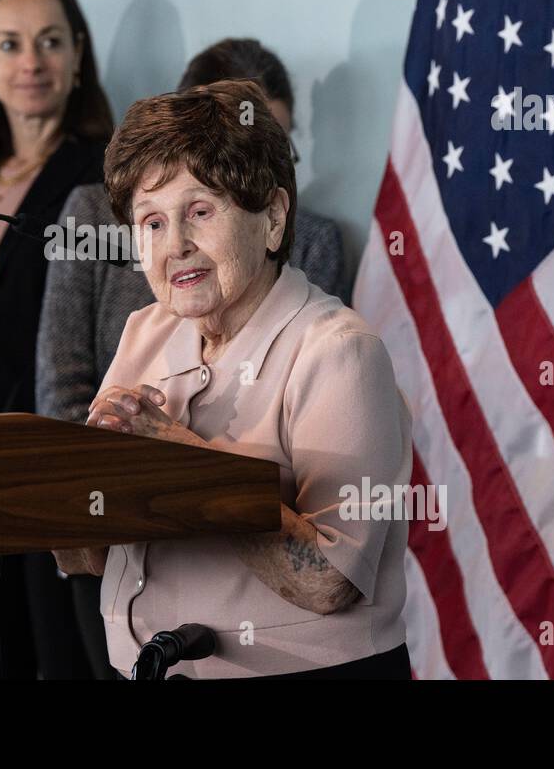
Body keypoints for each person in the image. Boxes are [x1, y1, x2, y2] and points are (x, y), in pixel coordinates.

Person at [54, 80, 412, 679]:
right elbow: (84, 555)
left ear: (272, 217)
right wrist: (80, 488)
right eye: (152, 222)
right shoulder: (146, 330)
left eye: (200, 212)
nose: (176, 247)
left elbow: (330, 582)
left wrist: (180, 463)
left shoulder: (339, 352)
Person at [0, 0, 113, 678]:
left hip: (53, 461)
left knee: (59, 657)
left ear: (77, 55)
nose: (31, 62)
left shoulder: (109, 178)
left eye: (49, 42)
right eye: (9, 44)